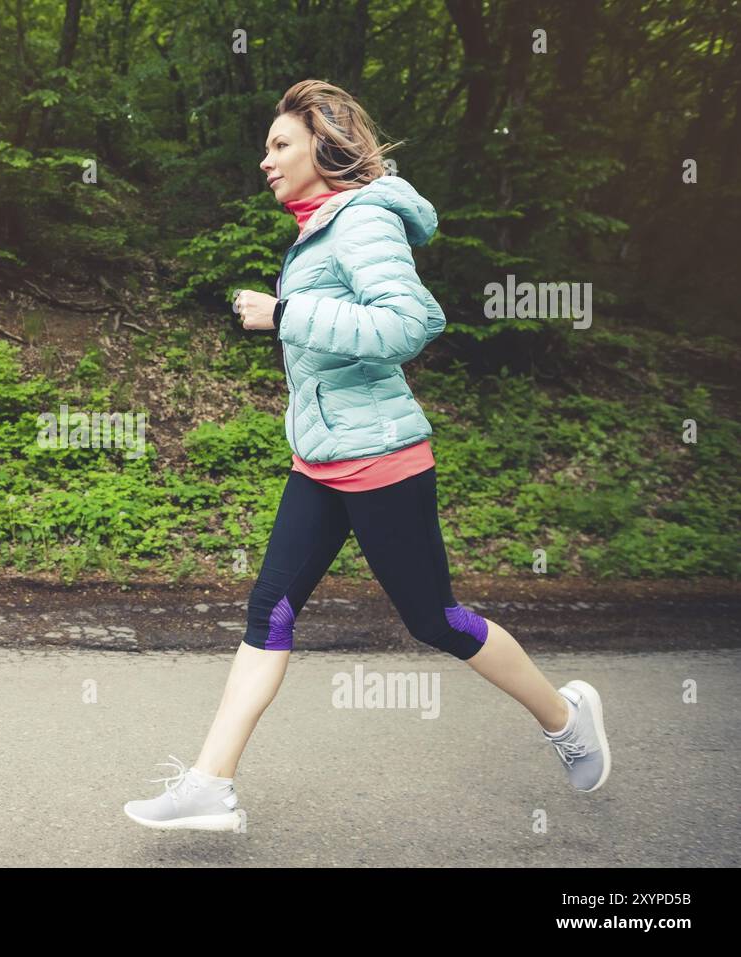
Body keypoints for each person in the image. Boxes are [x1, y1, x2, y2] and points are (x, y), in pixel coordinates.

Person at [123, 79, 611, 832]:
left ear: (323, 147)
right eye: (265, 147)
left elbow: (412, 322)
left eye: (279, 144)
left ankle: (566, 717)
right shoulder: (319, 224)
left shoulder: (362, 220)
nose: (266, 160)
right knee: (270, 611)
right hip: (320, 462)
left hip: (383, 460)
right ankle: (209, 783)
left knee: (436, 620)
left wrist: (287, 311)